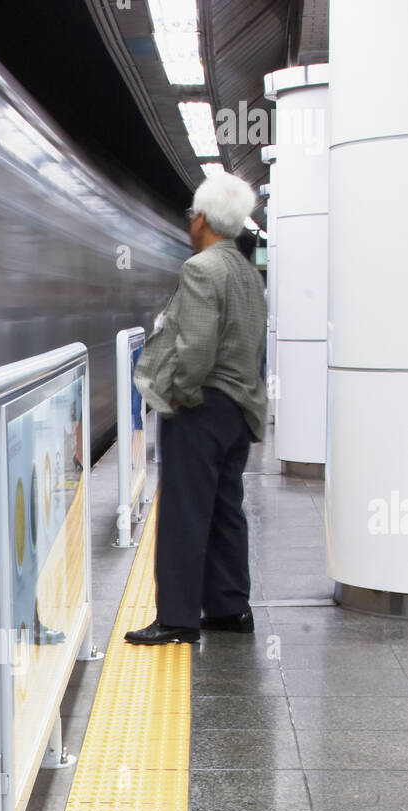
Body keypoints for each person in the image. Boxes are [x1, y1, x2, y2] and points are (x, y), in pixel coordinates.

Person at [126, 172, 267, 645]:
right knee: (227, 507)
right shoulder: (248, 273)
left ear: (203, 218)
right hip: (238, 408)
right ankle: (230, 608)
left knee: (186, 510)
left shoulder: (203, 268)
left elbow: (197, 348)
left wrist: (182, 391)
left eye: (192, 215)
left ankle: (177, 618)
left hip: (203, 407)